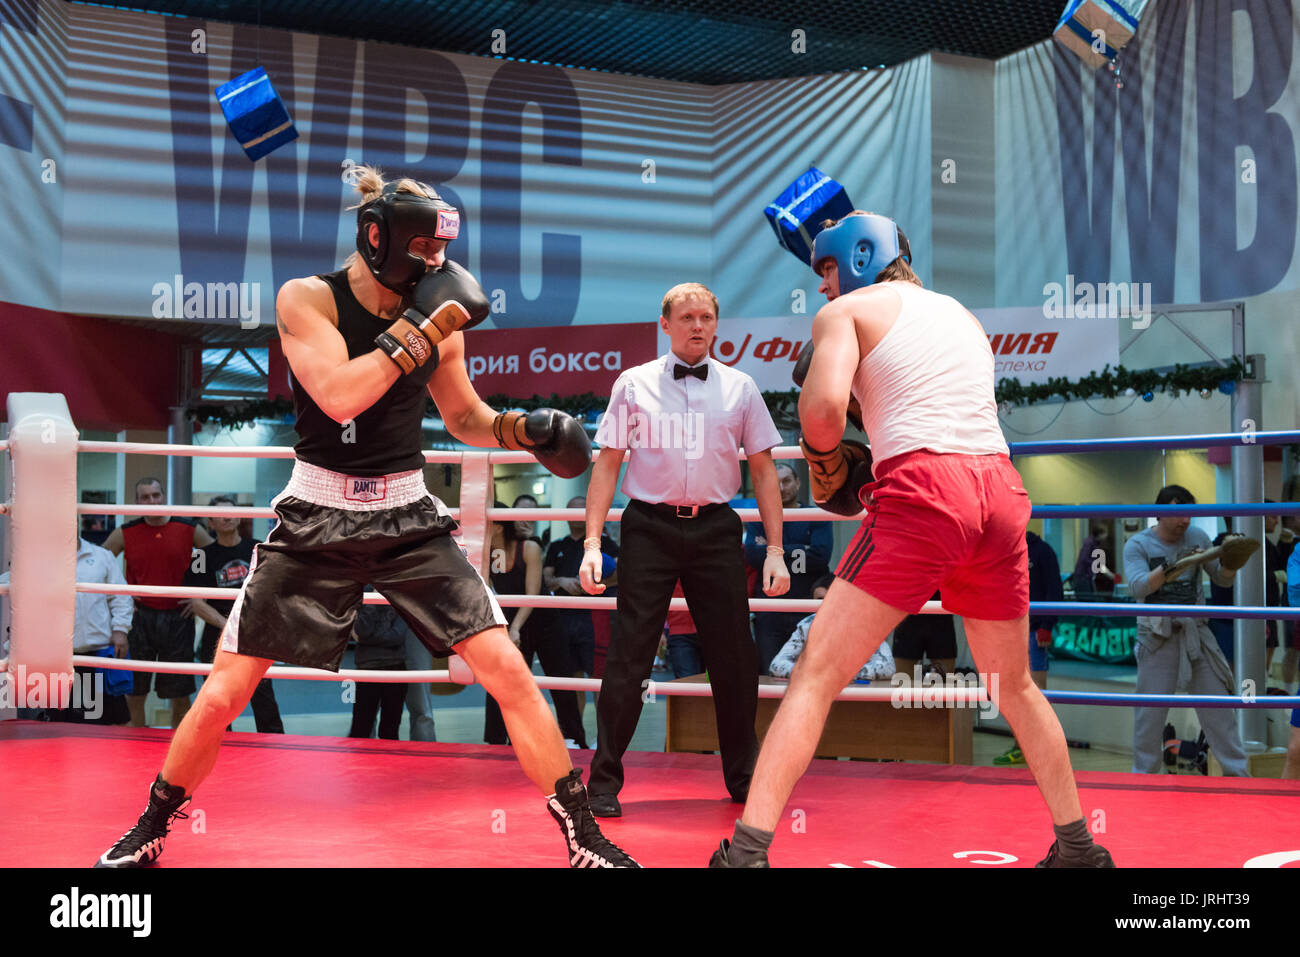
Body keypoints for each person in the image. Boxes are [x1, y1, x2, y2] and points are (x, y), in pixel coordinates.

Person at [96, 166, 636, 868]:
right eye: (426, 252)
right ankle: (151, 823)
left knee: (506, 668)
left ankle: (584, 836)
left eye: (442, 255)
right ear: (379, 238)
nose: (437, 267)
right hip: (317, 511)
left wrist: (521, 429)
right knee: (227, 688)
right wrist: (421, 324)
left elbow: (463, 415)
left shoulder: (435, 311)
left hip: (406, 507)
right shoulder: (307, 300)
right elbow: (340, 394)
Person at [710, 211, 1111, 867]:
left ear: (861, 256)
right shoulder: (959, 315)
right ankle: (1079, 847)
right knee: (1012, 684)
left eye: (828, 269)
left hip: (927, 491)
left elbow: (820, 414)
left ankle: (746, 852)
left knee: (815, 674)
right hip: (1002, 494)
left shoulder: (850, 314)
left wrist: (823, 458)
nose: (822, 287)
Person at [580, 281, 791, 817]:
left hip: (717, 528)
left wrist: (774, 549)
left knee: (735, 656)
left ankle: (744, 777)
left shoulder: (741, 388)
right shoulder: (632, 384)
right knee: (628, 655)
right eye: (687, 316)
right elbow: (607, 464)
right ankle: (603, 781)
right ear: (666, 324)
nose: (698, 325)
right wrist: (589, 542)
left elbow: (764, 471)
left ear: (716, 325)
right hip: (647, 526)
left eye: (706, 316)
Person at [1122, 484, 1249, 777]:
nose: (1185, 521)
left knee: (1219, 709)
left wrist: (1230, 564)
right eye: (1178, 514)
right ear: (1159, 514)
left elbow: (1222, 580)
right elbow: (1137, 587)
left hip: (1196, 634)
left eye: (1189, 514)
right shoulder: (1138, 545)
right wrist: (1174, 567)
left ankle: (1238, 777)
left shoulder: (1198, 536)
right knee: (1150, 716)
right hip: (1157, 637)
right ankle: (1144, 779)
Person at [103, 478, 215, 729]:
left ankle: (177, 755)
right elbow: (100, 564)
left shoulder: (188, 528)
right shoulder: (126, 532)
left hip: (179, 618)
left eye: (156, 495)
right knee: (134, 692)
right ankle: (136, 751)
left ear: (164, 496)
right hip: (139, 617)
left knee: (179, 694)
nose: (152, 501)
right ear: (137, 501)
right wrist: (120, 597)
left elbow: (213, 557)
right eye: (145, 497)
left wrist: (200, 593)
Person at [483, 503, 588, 749]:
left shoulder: (528, 548)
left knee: (561, 681)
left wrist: (515, 628)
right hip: (512, 619)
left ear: (498, 526)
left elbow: (532, 595)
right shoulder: (488, 552)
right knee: (503, 681)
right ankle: (498, 741)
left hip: (543, 621)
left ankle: (575, 739)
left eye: (486, 520)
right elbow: (487, 591)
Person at [182, 495, 283, 733]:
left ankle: (275, 754)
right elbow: (196, 601)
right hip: (217, 637)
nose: (227, 517)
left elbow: (273, 591)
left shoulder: (258, 548)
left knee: (264, 699)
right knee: (217, 703)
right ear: (211, 523)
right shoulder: (201, 556)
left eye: (231, 512)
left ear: (240, 517)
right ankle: (218, 756)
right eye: (219, 515)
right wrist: (228, 624)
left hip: (253, 635)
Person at [745, 463, 832, 674]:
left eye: (786, 481)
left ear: (798, 483)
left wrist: (773, 551)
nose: (782, 488)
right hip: (770, 610)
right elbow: (753, 556)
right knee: (768, 672)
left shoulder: (817, 515)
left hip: (807, 608)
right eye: (776, 483)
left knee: (810, 673)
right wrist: (802, 549)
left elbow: (820, 556)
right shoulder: (759, 516)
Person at [544, 495, 617, 722]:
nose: (577, 515)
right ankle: (576, 736)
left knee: (599, 679)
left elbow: (621, 575)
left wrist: (592, 584)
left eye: (581, 510)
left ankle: (604, 738)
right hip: (564, 619)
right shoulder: (557, 546)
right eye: (572, 510)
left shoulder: (604, 544)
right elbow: (546, 579)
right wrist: (562, 582)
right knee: (572, 680)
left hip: (595, 620)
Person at [994, 530, 1064, 765]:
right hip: (1010, 629)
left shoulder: (1042, 551)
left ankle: (1043, 748)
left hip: (1034, 631)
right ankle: (1021, 746)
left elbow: (1055, 590)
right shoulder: (1005, 550)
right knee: (1013, 691)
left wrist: (1047, 624)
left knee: (1037, 690)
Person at [769, 574, 894, 681]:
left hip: (855, 696)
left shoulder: (864, 624)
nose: (825, 605)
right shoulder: (807, 625)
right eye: (819, 600)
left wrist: (842, 674)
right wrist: (812, 673)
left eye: (831, 598)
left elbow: (888, 667)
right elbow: (776, 665)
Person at [348, 599, 410, 740]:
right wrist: (372, 601)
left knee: (390, 730)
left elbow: (397, 637)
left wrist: (366, 639)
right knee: (360, 729)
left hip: (395, 669)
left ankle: (388, 762)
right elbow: (361, 630)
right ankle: (358, 761)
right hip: (367, 670)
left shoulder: (399, 594)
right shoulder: (362, 595)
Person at [1071, 522, 1116, 599]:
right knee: (1088, 602)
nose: (1106, 535)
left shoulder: (1093, 544)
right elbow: (1085, 559)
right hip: (1083, 579)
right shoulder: (1089, 544)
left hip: (1086, 578)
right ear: (1100, 534)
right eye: (1105, 533)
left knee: (1091, 600)